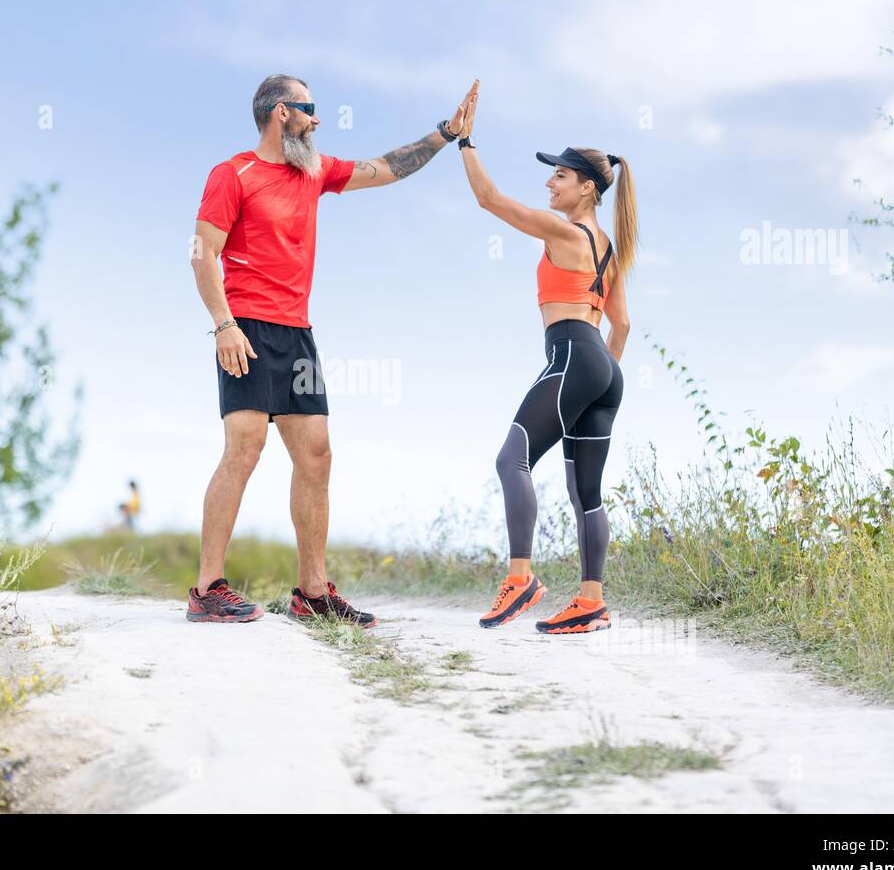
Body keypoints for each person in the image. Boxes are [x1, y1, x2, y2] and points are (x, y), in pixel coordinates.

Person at [188, 74, 470, 625]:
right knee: (243, 450)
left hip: (297, 334)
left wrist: (444, 133)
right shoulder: (232, 173)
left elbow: (385, 168)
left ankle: (312, 593)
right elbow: (203, 253)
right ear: (281, 112)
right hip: (246, 327)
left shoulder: (314, 171)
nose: (317, 118)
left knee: (316, 455)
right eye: (309, 108)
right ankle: (206, 589)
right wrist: (223, 325)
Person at [450, 81, 638, 633]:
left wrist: (465, 142)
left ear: (586, 188)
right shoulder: (607, 248)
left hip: (574, 353)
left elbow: (490, 200)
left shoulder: (564, 230)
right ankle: (591, 600)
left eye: (559, 175)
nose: (550, 183)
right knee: (587, 494)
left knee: (511, 460)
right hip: (603, 367)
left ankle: (521, 577)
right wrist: (599, 380)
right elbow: (622, 324)